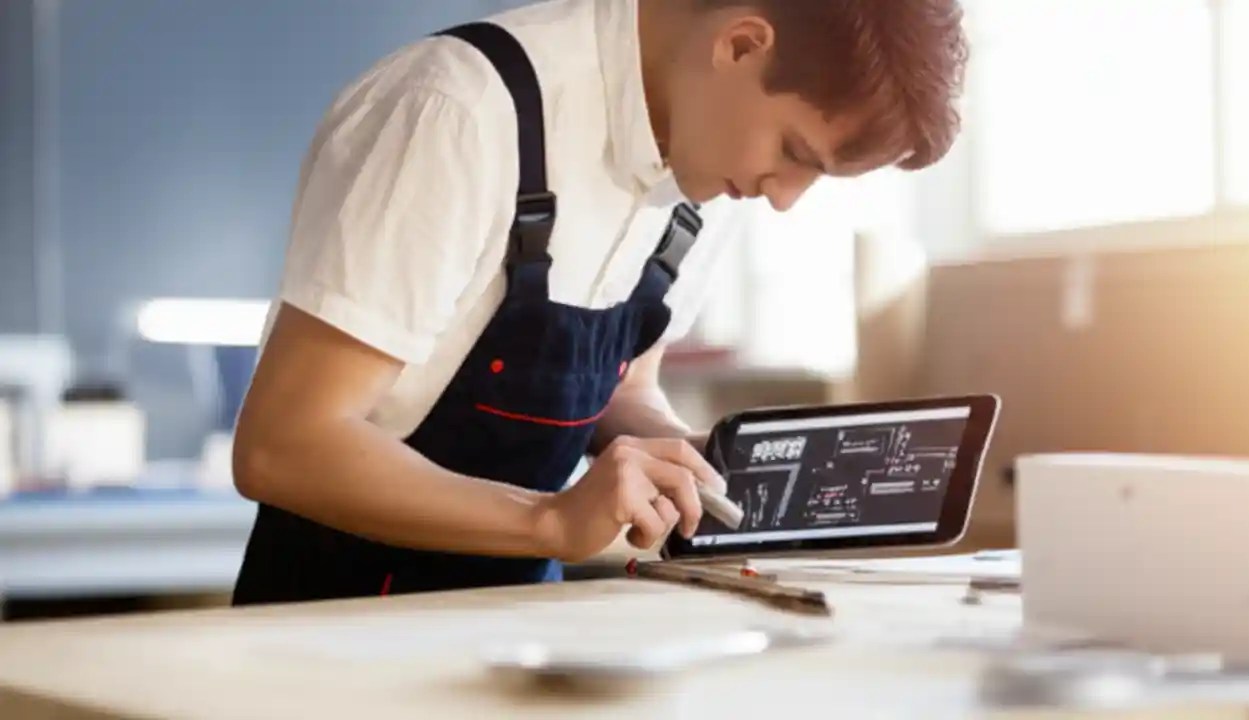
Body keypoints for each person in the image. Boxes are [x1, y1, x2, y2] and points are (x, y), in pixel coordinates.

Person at [229, 0, 969, 606]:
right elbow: (283, 446)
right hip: (330, 636)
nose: (781, 197)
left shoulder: (706, 173)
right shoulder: (455, 110)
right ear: (742, 45)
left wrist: (688, 464)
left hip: (516, 631)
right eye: (795, 154)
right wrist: (551, 519)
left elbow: (625, 385)